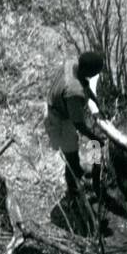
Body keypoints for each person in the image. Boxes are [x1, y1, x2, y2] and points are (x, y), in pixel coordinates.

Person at [44, 50, 107, 234]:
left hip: (59, 108)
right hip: (58, 120)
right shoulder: (74, 92)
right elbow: (79, 124)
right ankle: (74, 193)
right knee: (71, 157)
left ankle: (82, 175)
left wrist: (93, 100)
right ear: (89, 72)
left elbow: (84, 86)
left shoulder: (72, 63)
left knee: (77, 152)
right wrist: (95, 138)